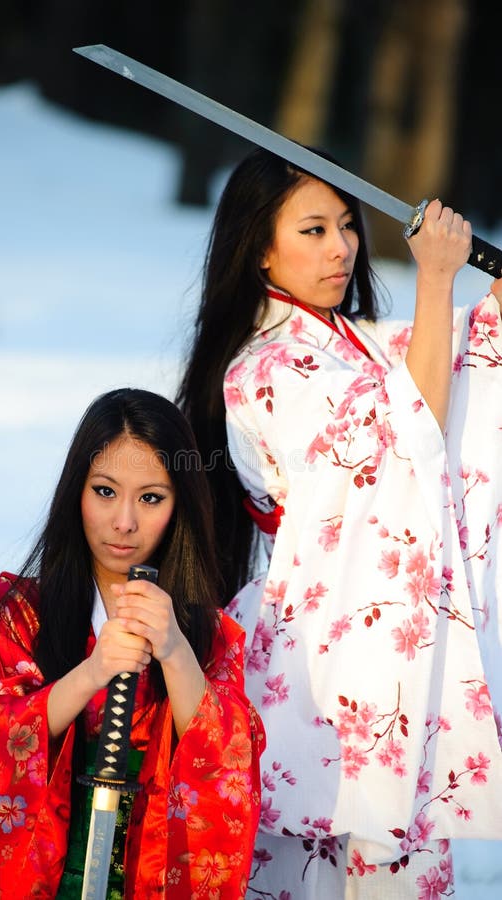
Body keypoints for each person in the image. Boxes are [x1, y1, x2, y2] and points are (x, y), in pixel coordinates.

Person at [176, 146, 502, 898]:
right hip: (319, 657)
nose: (341, 247)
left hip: (382, 637)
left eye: (346, 225)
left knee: (390, 863)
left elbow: (462, 361)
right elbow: (405, 432)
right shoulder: (263, 368)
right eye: (313, 229)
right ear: (259, 248)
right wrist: (433, 277)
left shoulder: (351, 343)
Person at [0, 388, 265, 899]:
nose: (124, 522)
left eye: (151, 498)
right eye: (104, 491)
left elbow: (231, 771)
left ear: (180, 506)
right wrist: (92, 672)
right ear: (76, 490)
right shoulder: (13, 612)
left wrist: (177, 652)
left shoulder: (208, 636)